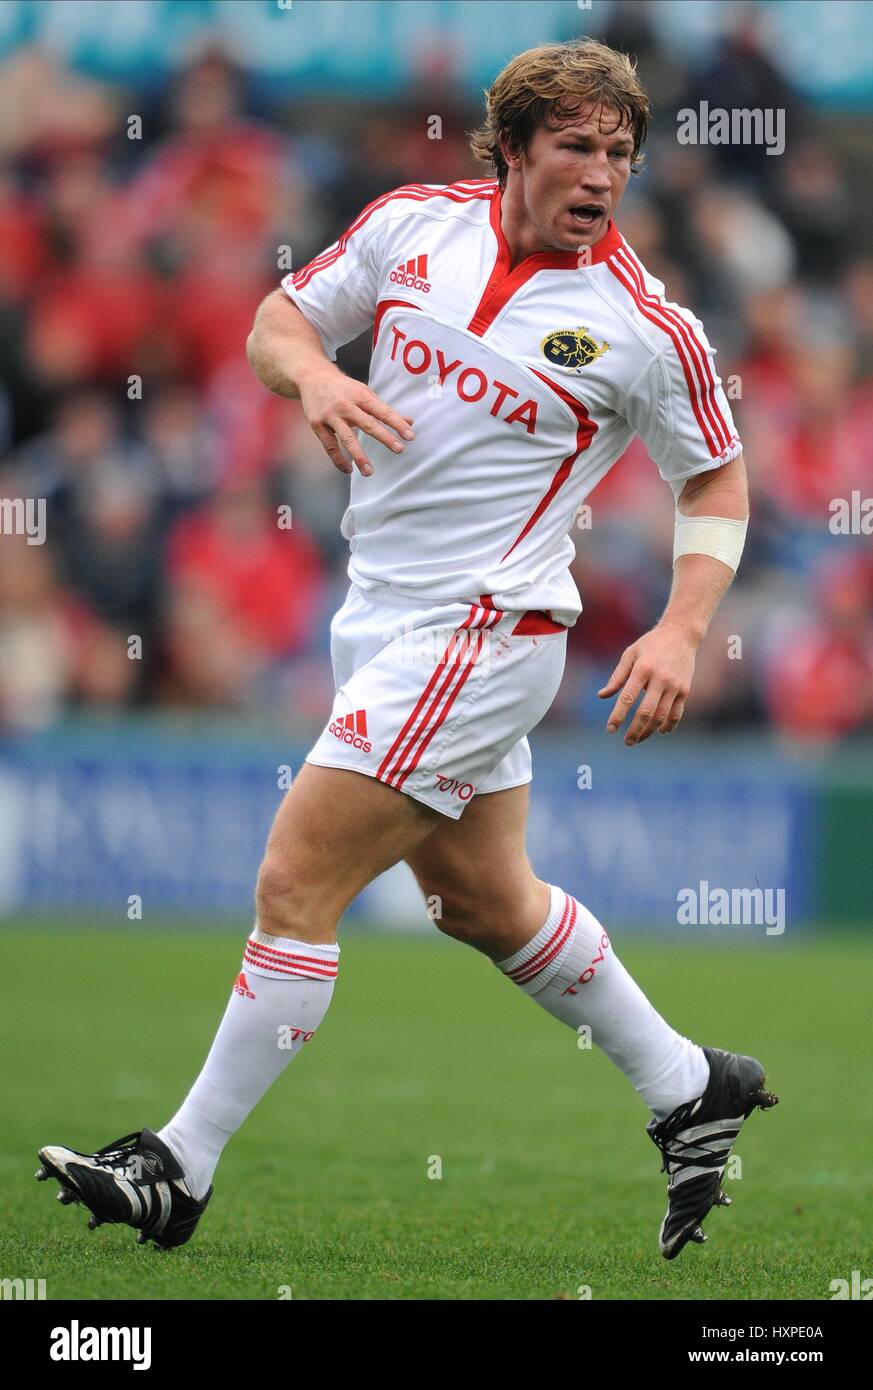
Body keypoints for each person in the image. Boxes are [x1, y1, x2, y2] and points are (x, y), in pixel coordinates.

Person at [36, 38, 777, 1262]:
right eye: (576, 147)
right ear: (516, 148)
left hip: (486, 629)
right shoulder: (409, 225)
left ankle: (179, 1165)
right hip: (378, 611)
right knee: (481, 902)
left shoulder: (647, 326)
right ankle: (689, 1083)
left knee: (297, 877)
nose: (600, 174)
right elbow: (279, 321)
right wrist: (315, 380)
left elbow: (719, 477)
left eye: (620, 153)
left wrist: (684, 625)